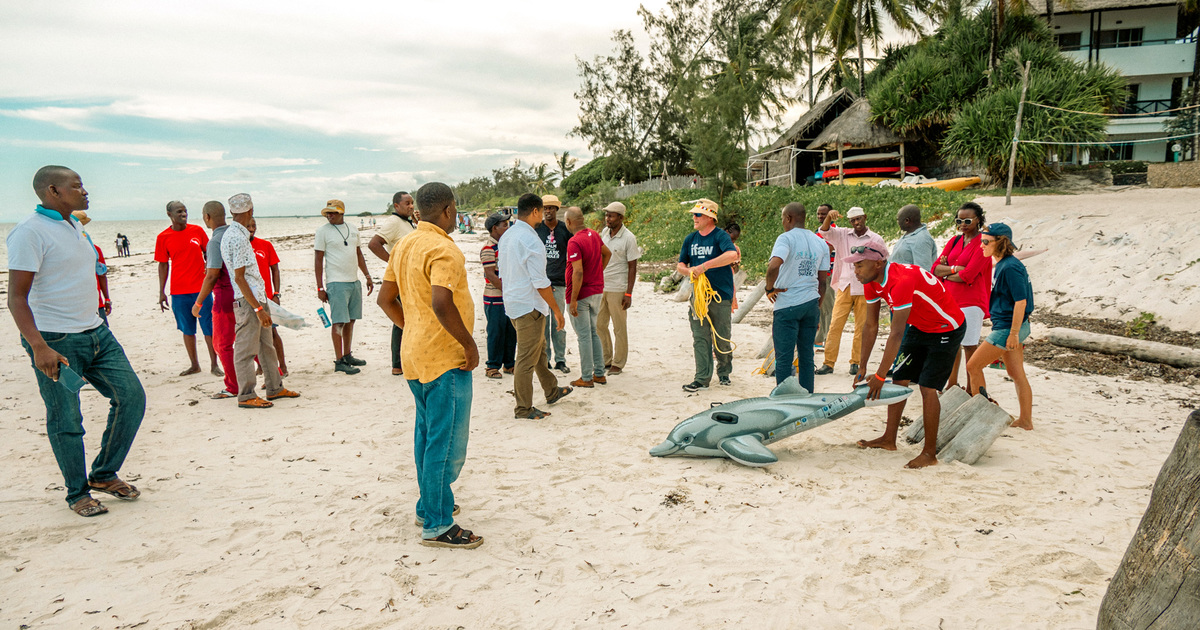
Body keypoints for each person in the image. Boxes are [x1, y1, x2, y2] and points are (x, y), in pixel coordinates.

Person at [7, 165, 146, 517]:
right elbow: (16, 297)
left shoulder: (73, 225)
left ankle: (103, 474)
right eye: (77, 186)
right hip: (55, 340)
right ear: (53, 191)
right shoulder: (28, 232)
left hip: (96, 332)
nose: (85, 191)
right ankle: (77, 493)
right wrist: (39, 347)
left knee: (131, 398)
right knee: (66, 419)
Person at [377, 182, 482, 548]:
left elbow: (385, 299)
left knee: (427, 435)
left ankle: (428, 506)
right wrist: (468, 344)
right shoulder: (443, 248)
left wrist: (412, 328)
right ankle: (437, 524)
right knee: (447, 443)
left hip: (414, 354)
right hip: (444, 359)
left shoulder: (405, 244)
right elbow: (441, 301)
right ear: (449, 210)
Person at [848, 246, 966, 469]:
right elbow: (871, 325)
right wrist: (862, 366)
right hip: (920, 326)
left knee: (927, 388)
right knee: (899, 379)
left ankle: (929, 454)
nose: (856, 271)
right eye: (855, 266)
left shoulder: (901, 280)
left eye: (860, 265)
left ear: (878, 263)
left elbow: (896, 332)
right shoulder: (870, 281)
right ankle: (888, 439)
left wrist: (880, 375)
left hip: (946, 328)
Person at [221, 193, 299, 409]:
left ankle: (275, 387)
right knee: (246, 349)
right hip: (249, 301)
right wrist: (257, 308)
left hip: (257, 298)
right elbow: (239, 278)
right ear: (251, 210)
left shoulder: (235, 234)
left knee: (266, 346)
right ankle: (246, 395)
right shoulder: (238, 238)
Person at [498, 193, 573, 419]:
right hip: (529, 306)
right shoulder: (531, 240)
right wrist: (557, 311)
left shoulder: (508, 236)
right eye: (541, 211)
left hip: (513, 302)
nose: (542, 215)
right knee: (526, 358)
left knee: (538, 351)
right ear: (535, 211)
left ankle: (552, 390)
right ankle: (523, 408)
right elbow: (540, 281)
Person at [966, 223, 1035, 430]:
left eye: (986, 242)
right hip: (1011, 325)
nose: (981, 245)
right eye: (981, 241)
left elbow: (1021, 302)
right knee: (1016, 373)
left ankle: (980, 417)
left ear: (1001, 242)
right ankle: (1025, 421)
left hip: (1008, 327)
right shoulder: (1004, 264)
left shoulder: (1010, 267)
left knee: (973, 366)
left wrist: (1013, 333)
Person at [764, 203, 830, 392]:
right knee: (806, 356)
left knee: (784, 358)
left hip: (788, 304)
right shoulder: (820, 242)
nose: (783, 222)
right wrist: (817, 308)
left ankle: (785, 398)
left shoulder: (786, 238)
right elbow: (822, 282)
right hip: (811, 304)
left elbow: (773, 266)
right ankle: (807, 396)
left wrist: (769, 289)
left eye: (783, 218)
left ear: (789, 218)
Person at [817, 206, 888, 376]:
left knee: (861, 327)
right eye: (853, 220)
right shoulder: (843, 234)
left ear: (865, 217)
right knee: (835, 325)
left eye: (858, 219)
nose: (856, 222)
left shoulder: (875, 239)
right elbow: (824, 231)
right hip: (845, 285)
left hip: (866, 288)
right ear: (849, 222)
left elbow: (884, 260)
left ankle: (856, 362)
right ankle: (828, 363)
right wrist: (829, 217)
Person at [677, 199, 739, 392]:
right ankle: (702, 378)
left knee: (722, 337)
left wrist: (704, 266)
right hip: (698, 297)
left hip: (720, 295)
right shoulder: (690, 239)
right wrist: (690, 271)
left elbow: (732, 255)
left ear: (710, 217)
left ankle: (724, 372)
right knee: (700, 337)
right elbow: (680, 265)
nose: (694, 218)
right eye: (693, 215)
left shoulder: (720, 236)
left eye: (698, 215)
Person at [155, 201, 220, 377]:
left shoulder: (197, 231)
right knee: (187, 329)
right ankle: (194, 365)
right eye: (179, 211)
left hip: (201, 290)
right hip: (179, 292)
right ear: (169, 214)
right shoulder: (163, 237)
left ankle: (214, 364)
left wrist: (208, 266)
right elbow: (163, 265)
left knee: (209, 328)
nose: (183, 214)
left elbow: (209, 252)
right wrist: (161, 292)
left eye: (185, 211)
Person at [934, 201, 992, 391]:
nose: (963, 224)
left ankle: (971, 387)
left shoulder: (983, 244)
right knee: (952, 344)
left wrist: (946, 272)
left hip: (971, 302)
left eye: (967, 220)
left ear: (978, 220)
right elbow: (935, 268)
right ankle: (952, 384)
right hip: (950, 300)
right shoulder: (954, 241)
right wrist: (954, 269)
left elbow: (969, 275)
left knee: (969, 346)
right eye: (959, 220)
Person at [315, 199, 375, 374]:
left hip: (353, 281)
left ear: (342, 212)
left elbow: (358, 253)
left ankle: (348, 354)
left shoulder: (353, 228)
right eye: (328, 213)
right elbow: (318, 259)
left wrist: (367, 275)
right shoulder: (322, 231)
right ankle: (339, 360)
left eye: (333, 212)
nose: (330, 215)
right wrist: (320, 287)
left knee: (351, 320)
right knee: (339, 322)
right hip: (336, 283)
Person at [192, 201, 239, 399]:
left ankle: (233, 386)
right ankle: (272, 373)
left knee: (221, 344)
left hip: (224, 296)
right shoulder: (235, 235)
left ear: (207, 217)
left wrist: (198, 302)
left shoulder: (215, 241)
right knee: (246, 339)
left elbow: (212, 275)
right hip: (243, 293)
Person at [367, 191, 417, 376]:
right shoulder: (394, 222)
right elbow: (374, 244)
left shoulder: (407, 222)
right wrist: (393, 262)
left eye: (412, 203)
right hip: (401, 277)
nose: (411, 206)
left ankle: (406, 359)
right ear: (396, 206)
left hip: (411, 277)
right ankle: (397, 364)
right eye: (407, 203)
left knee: (409, 316)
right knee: (400, 318)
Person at [564, 207, 612, 388]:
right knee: (593, 333)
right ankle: (599, 373)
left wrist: (573, 299)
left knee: (584, 336)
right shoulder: (594, 234)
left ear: (568, 222)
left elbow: (577, 272)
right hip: (596, 291)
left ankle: (586, 377)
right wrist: (598, 271)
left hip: (582, 294)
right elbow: (607, 253)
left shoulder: (574, 241)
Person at [597, 201, 640, 376]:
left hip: (618, 288)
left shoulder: (629, 238)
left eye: (611, 216)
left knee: (619, 328)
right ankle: (606, 359)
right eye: (606, 215)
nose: (607, 218)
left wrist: (628, 293)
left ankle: (618, 363)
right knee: (599, 324)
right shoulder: (604, 233)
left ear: (621, 218)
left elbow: (632, 267)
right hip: (602, 286)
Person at [535, 194, 571, 374]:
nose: (548, 211)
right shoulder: (537, 229)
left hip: (559, 282)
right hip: (541, 283)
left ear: (557, 210)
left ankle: (561, 360)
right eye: (545, 208)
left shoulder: (565, 230)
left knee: (559, 323)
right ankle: (545, 360)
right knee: (544, 324)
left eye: (551, 208)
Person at [249, 218, 287, 377]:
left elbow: (275, 269)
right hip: (248, 298)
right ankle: (261, 366)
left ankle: (283, 366)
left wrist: (276, 293)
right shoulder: (239, 246)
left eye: (254, 226)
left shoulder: (265, 245)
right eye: (248, 226)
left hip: (266, 298)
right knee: (254, 335)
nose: (251, 229)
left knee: (272, 332)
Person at [481, 213, 517, 379]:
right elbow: (490, 274)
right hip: (494, 297)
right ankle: (492, 366)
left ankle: (509, 364)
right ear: (494, 228)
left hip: (507, 296)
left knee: (510, 331)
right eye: (504, 225)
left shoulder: (505, 246)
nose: (507, 228)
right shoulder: (488, 249)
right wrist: (507, 290)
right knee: (496, 332)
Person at [72, 211, 112, 325]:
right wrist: (107, 299)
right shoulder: (94, 249)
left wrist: (107, 299)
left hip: (76, 304)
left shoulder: (64, 250)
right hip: (93, 302)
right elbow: (102, 275)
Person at [814, 204, 837, 349]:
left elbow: (827, 249)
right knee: (820, 307)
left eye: (823, 214)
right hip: (818, 275)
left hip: (829, 274)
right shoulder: (819, 231)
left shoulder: (834, 231)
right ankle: (819, 338)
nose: (820, 216)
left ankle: (827, 339)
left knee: (828, 307)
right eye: (818, 214)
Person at [889, 204, 937, 271]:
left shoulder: (921, 239)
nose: (898, 223)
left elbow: (923, 270)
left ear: (907, 221)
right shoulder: (909, 234)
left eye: (898, 220)